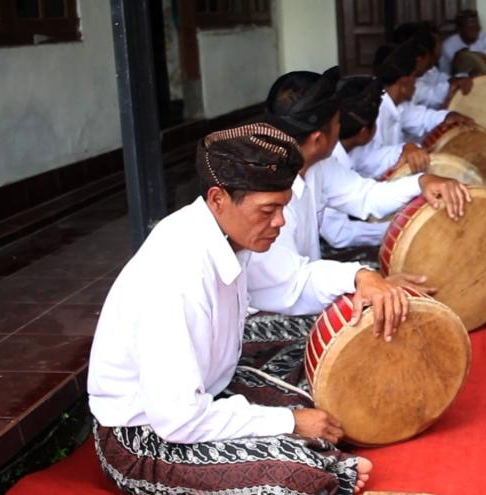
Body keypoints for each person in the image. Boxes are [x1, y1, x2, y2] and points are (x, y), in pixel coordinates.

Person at [88, 123, 383, 495]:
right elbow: (178, 420)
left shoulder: (234, 236)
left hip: (210, 394)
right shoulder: (176, 273)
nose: (280, 222)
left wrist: (360, 276)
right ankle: (312, 466)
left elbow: (293, 283)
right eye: (269, 210)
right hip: (142, 437)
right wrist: (289, 423)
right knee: (294, 478)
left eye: (284, 207)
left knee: (327, 408)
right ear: (218, 198)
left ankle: (314, 459)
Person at [247, 71, 470, 315]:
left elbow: (366, 196)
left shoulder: (317, 165)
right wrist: (359, 278)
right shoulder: (263, 195)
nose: (340, 129)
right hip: (266, 311)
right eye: (337, 123)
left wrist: (422, 182)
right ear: (318, 139)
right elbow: (292, 284)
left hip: (306, 281)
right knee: (395, 311)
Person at [350, 41, 474, 179]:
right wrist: (403, 150)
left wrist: (448, 116)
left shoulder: (399, 104)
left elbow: (423, 118)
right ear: (404, 82)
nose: (417, 83)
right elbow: (365, 161)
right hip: (371, 186)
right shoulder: (372, 109)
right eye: (415, 77)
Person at [439, 10, 486, 74]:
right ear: (460, 29)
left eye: (477, 26)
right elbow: (444, 72)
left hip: (485, 79)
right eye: (471, 28)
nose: (476, 30)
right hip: (459, 82)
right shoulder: (448, 45)